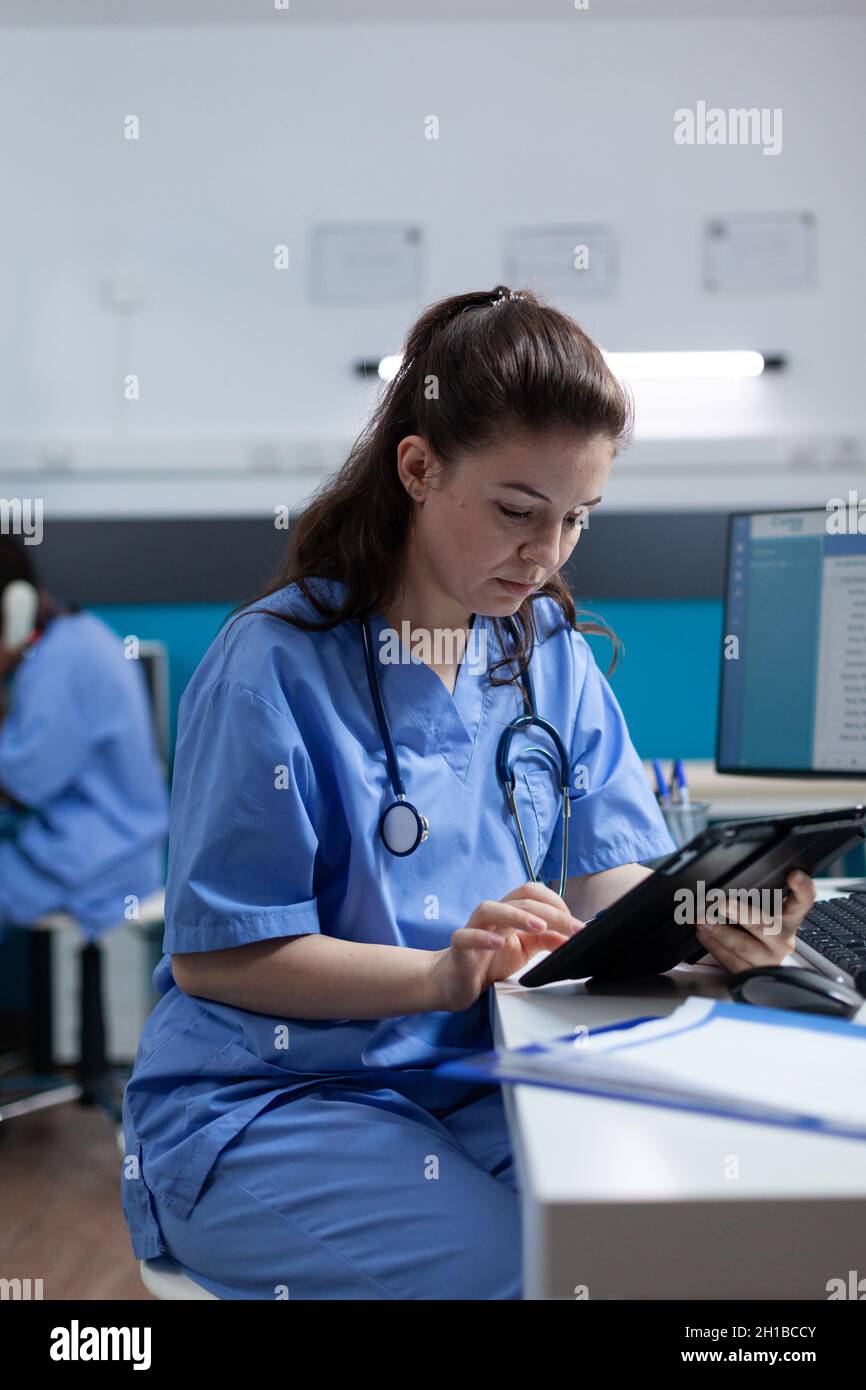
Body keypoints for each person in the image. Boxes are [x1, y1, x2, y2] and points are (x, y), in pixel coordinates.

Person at [119, 286, 816, 1300]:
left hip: (470, 1075)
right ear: (417, 466)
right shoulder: (269, 667)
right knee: (530, 1275)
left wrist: (713, 912)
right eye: (515, 511)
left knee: (675, 1237)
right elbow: (223, 954)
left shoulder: (544, 654)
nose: (546, 555)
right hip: (272, 1100)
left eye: (576, 518)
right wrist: (439, 975)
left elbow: (605, 877)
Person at [0, 537, 169, 938]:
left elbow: (18, 784)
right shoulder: (73, 640)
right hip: (88, 847)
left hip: (99, 861)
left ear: (14, 608)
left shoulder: (63, 662)